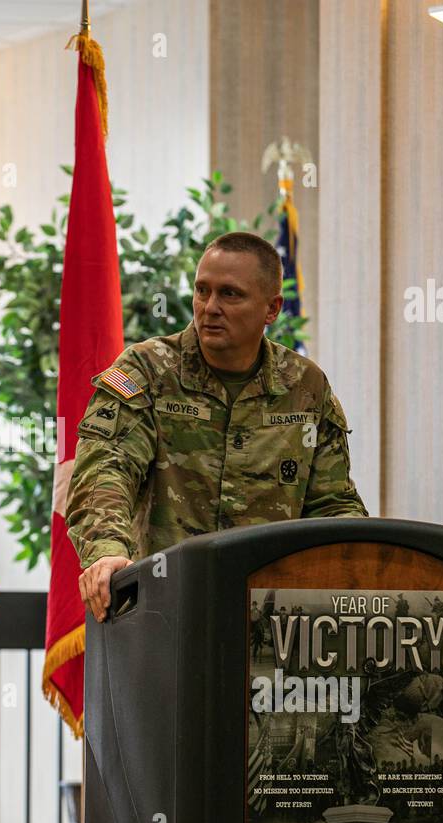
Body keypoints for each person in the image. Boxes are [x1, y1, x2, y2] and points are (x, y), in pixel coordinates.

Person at [68, 231, 367, 620]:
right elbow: (106, 469)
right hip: (164, 611)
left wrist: (364, 567)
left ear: (272, 309)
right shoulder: (148, 371)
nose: (209, 307)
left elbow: (333, 504)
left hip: (274, 623)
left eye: (230, 294)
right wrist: (107, 549)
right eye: (201, 290)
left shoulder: (304, 386)